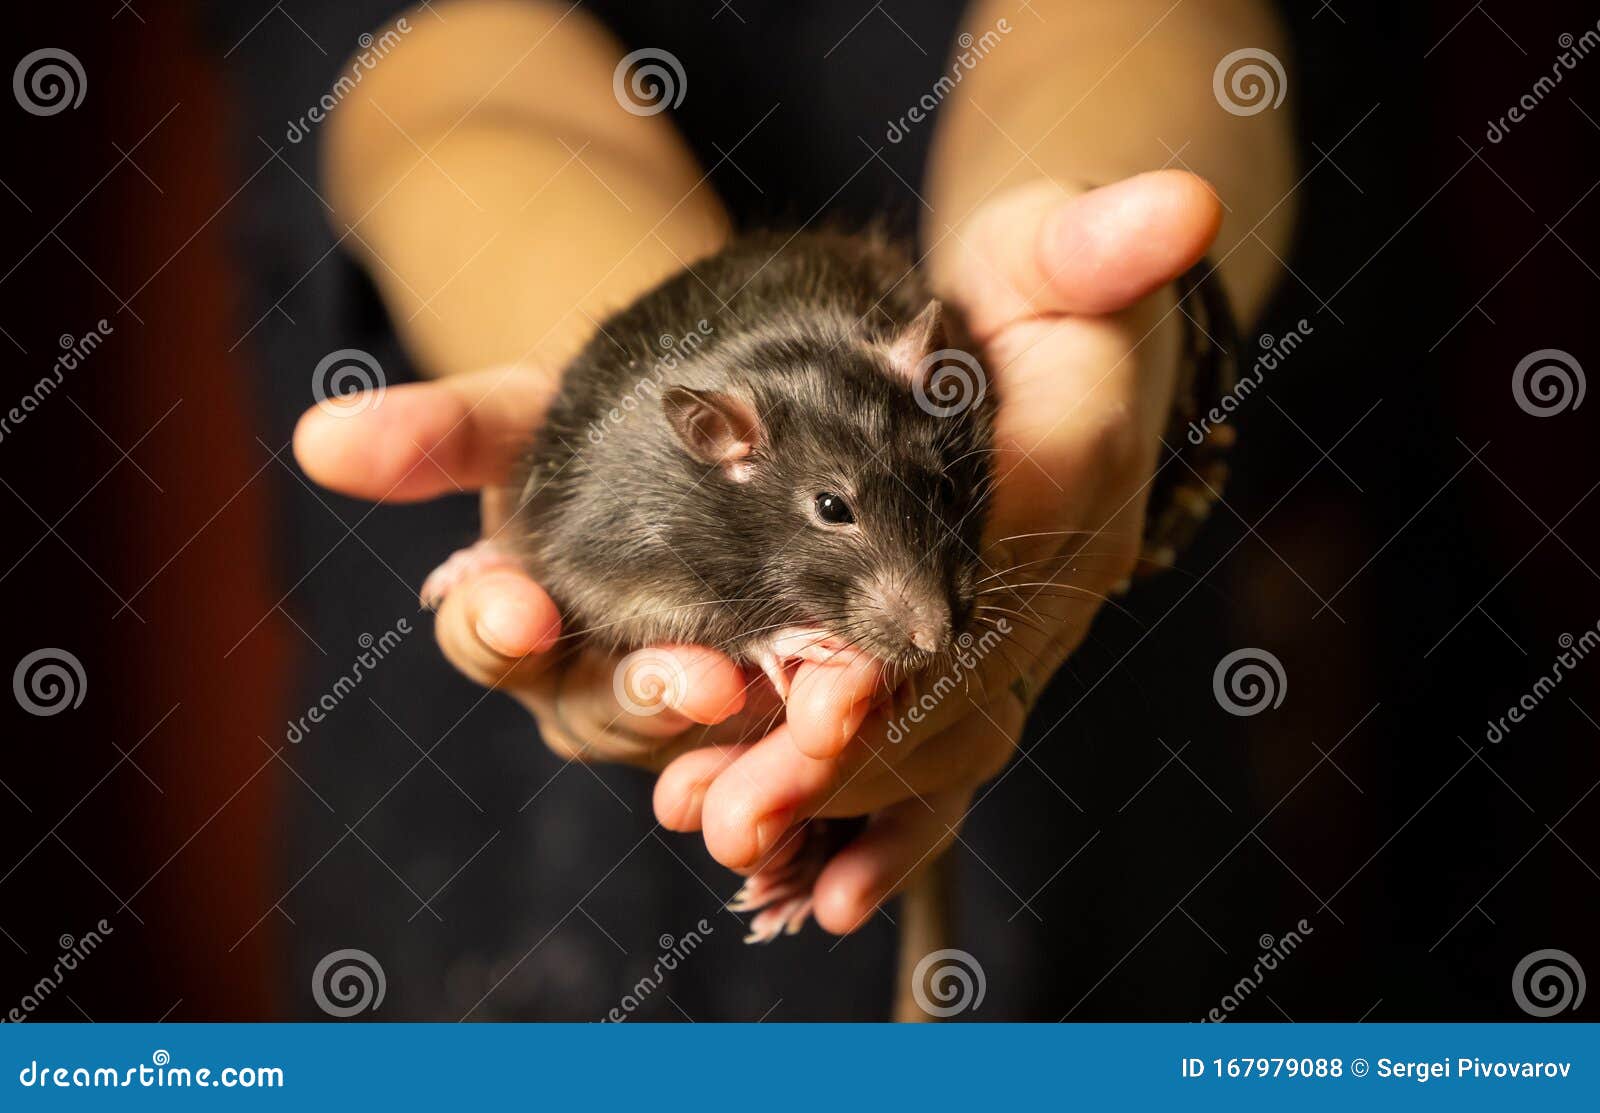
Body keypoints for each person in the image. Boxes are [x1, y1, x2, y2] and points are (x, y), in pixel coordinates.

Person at [256, 0, 1295, 1017]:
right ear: (722, 446)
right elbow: (398, 48)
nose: (932, 624)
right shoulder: (660, 491)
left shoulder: (924, 406)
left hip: (1104, 741)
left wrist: (1118, 335)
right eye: (839, 512)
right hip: (494, 865)